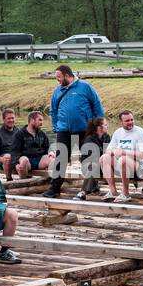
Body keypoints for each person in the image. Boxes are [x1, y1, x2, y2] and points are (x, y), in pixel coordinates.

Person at [46, 64, 105, 198]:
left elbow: (97, 104)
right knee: (61, 159)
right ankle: (54, 189)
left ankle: (93, 186)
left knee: (88, 158)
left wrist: (99, 126)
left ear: (67, 75)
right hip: (64, 130)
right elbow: (53, 110)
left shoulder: (85, 87)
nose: (57, 80)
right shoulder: (57, 91)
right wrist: (56, 126)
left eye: (59, 77)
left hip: (84, 129)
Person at [102, 110, 143, 202]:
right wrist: (115, 151)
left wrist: (124, 152)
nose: (130, 122)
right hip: (122, 166)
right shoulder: (118, 132)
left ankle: (125, 193)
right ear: (121, 122)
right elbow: (108, 150)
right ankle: (113, 192)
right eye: (127, 121)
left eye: (132, 120)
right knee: (104, 158)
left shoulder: (140, 132)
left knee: (123, 159)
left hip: (140, 167)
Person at [74, 116, 110, 200]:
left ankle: (93, 189)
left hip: (103, 165)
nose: (107, 126)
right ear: (99, 127)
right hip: (88, 166)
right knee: (93, 166)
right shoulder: (89, 139)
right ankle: (83, 192)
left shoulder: (107, 137)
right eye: (105, 125)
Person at [11, 110, 52, 178]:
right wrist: (15, 164)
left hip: (39, 160)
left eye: (42, 120)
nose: (41, 123)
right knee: (24, 160)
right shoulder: (19, 134)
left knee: (52, 159)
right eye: (39, 120)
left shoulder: (43, 134)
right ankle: (23, 181)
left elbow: (46, 149)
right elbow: (15, 152)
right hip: (26, 161)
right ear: (32, 120)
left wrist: (51, 154)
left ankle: (49, 181)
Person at [0, 110, 20, 180]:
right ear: (3, 119)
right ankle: (9, 179)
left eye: (12, 118)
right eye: (9, 118)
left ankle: (24, 180)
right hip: (2, 160)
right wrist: (1, 159)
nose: (11, 120)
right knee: (7, 156)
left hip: (16, 158)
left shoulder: (18, 131)